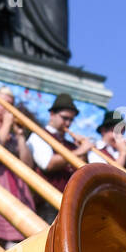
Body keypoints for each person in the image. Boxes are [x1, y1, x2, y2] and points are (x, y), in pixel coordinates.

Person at [0, 88, 37, 248]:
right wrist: (6, 124)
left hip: (17, 186)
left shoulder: (13, 135)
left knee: (20, 238)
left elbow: (27, 165)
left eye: (11, 104)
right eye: (3, 103)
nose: (8, 108)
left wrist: (20, 136)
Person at [25, 92, 93, 222]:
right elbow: (47, 164)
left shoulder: (71, 145)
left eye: (71, 120)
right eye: (65, 118)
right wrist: (79, 151)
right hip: (46, 203)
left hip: (69, 205)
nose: (68, 124)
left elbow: (81, 170)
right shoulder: (39, 135)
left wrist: (82, 152)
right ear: (52, 114)